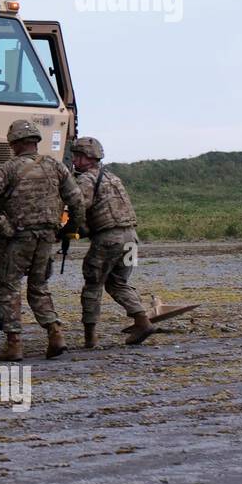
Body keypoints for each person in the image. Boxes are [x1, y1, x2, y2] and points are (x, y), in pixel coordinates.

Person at [0, 120, 86, 361]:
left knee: (9, 287)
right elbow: (76, 201)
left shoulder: (10, 168)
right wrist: (69, 229)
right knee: (39, 287)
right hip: (48, 235)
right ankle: (55, 334)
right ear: (34, 142)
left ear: (16, 143)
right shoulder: (55, 166)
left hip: (21, 236)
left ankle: (14, 344)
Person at [70, 137, 153, 347]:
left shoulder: (86, 180)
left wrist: (70, 229)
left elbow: (80, 208)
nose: (73, 160)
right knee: (118, 283)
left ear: (86, 158)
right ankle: (142, 320)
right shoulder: (113, 178)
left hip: (109, 239)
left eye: (76, 156)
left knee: (93, 285)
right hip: (132, 238)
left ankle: (91, 337)